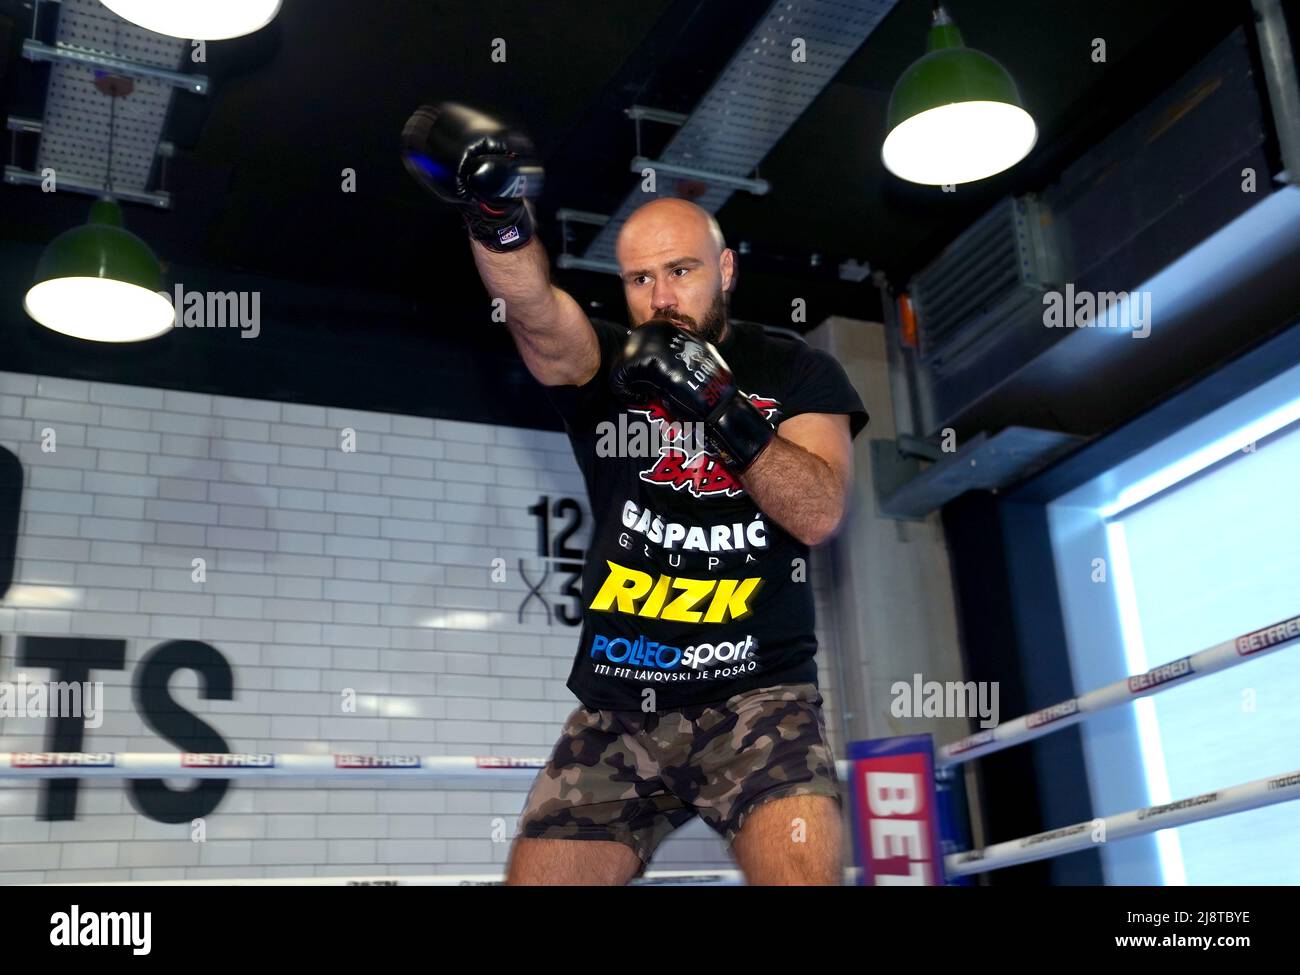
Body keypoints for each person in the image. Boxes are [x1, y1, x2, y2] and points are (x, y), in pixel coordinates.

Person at [402, 102, 869, 885]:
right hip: (621, 704)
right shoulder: (608, 366)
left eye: (680, 271)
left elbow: (819, 511)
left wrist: (721, 408)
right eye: (639, 278)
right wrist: (496, 217)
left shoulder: (796, 371)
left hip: (759, 694)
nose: (660, 297)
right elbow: (535, 309)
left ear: (723, 270)